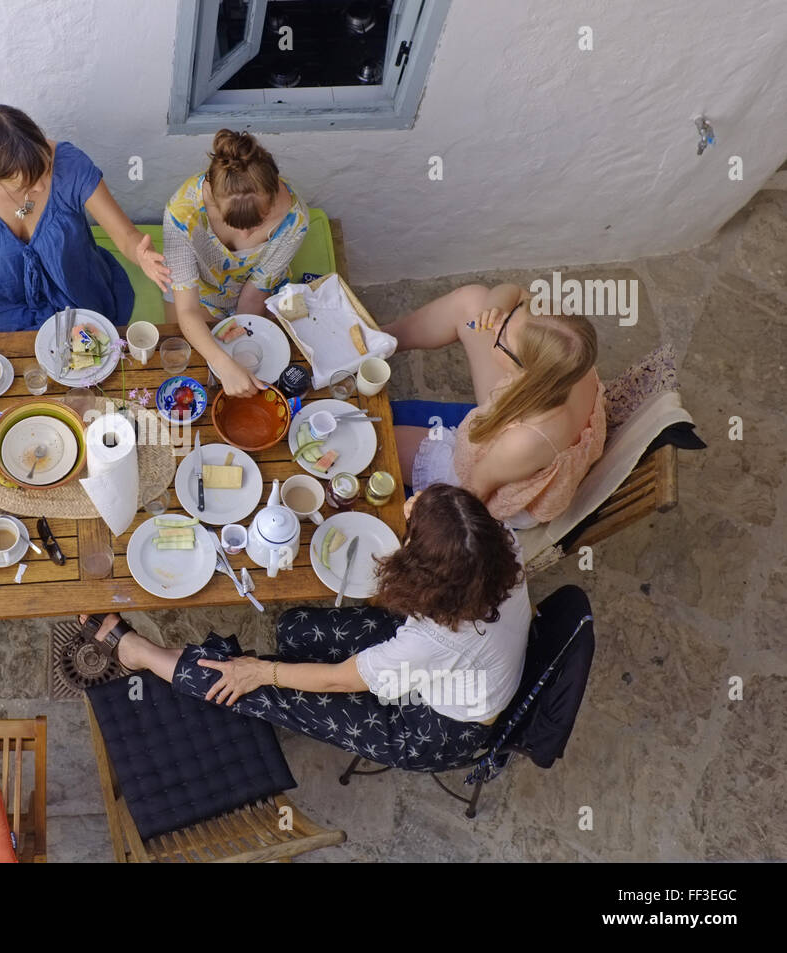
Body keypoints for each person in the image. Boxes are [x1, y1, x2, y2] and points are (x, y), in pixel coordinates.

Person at [79, 483, 530, 770]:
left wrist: (260, 671)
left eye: (412, 534)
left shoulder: (435, 638)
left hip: (432, 726)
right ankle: (266, 672)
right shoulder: (496, 545)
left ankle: (139, 652)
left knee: (243, 680)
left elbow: (338, 678)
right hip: (452, 669)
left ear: (431, 576)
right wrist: (429, 508)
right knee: (296, 627)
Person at [0, 104, 170, 362]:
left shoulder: (72, 167)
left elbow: (126, 236)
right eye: (27, 181)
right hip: (1, 302)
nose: (40, 185)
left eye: (44, 166)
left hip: (74, 291)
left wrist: (143, 255)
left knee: (87, 362)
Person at [382, 284, 605, 527]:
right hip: (525, 411)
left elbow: (474, 492)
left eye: (502, 338)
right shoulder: (564, 341)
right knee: (473, 299)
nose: (496, 327)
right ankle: (377, 341)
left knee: (379, 443)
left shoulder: (527, 440)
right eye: (509, 317)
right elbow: (514, 292)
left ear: (526, 371)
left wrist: (430, 508)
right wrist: (494, 308)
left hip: (488, 482)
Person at [163, 129, 310, 397]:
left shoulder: (295, 219)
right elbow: (187, 310)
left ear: (274, 194)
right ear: (213, 201)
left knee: (271, 359)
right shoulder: (181, 214)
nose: (245, 237)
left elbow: (255, 294)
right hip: (199, 293)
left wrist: (241, 336)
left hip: (259, 294)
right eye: (234, 225)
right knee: (191, 362)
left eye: (258, 224)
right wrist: (222, 362)